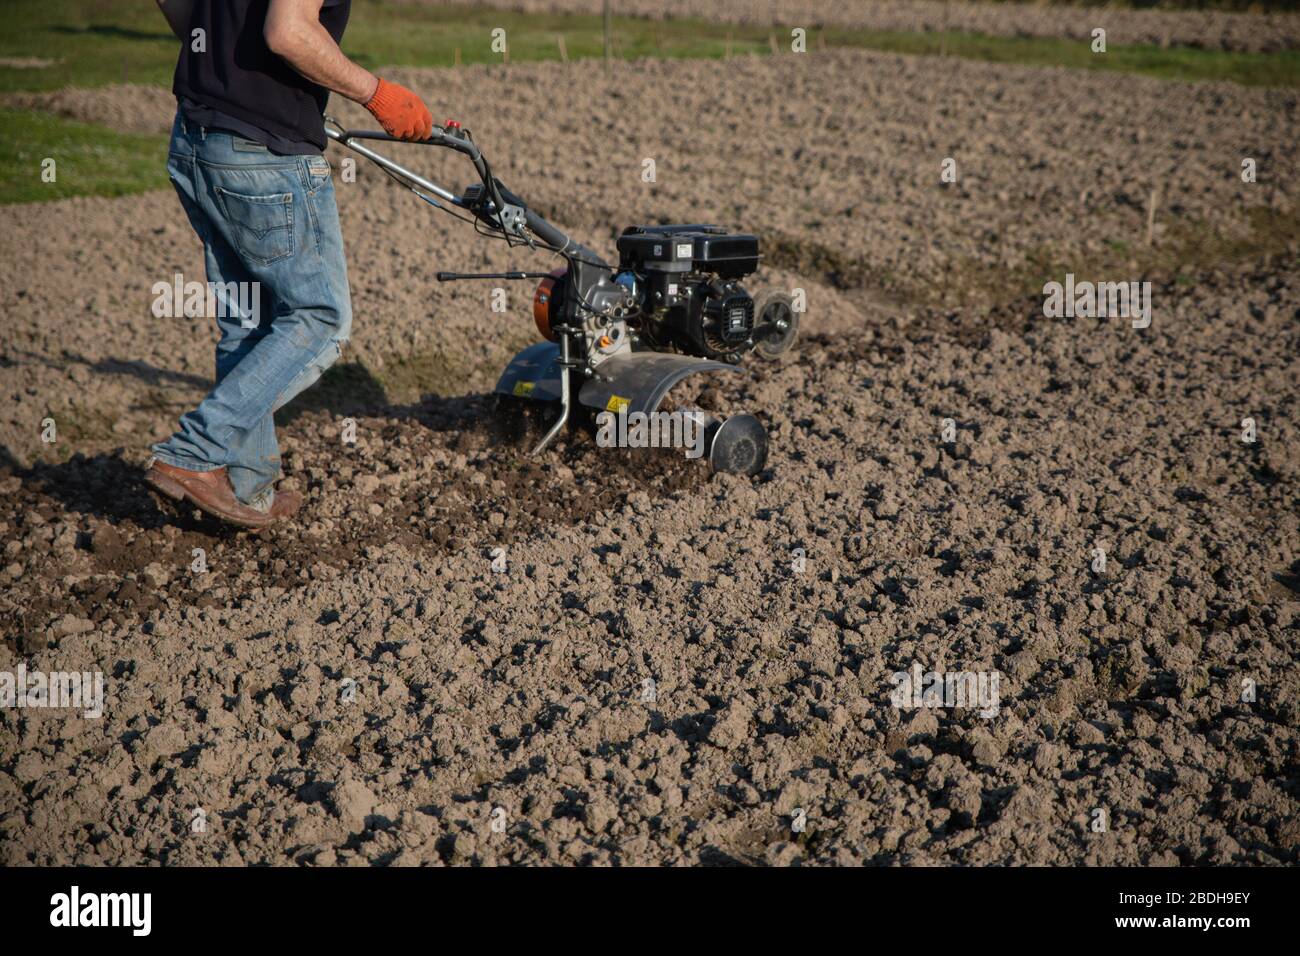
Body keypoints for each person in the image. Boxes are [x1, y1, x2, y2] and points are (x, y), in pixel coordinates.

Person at [146, 0, 433, 528]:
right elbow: (287, 31)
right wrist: (378, 94)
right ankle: (195, 450)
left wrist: (221, 59)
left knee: (249, 319)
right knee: (320, 319)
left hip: (196, 136)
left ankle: (248, 484)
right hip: (263, 152)